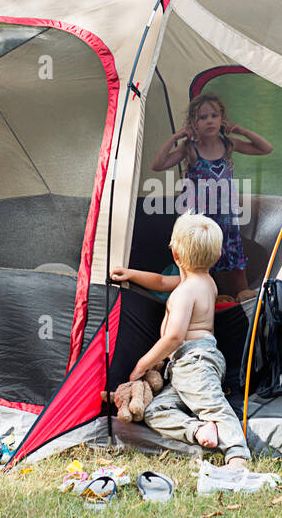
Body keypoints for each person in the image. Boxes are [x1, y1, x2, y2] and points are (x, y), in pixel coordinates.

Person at [110, 213, 250, 466]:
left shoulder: (185, 292)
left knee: (215, 408)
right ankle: (198, 430)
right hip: (188, 367)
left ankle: (237, 453)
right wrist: (131, 273)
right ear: (217, 257)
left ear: (175, 255)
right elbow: (161, 281)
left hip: (194, 362)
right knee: (155, 412)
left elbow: (174, 336)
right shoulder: (204, 281)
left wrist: (143, 364)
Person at [150, 93, 272, 298]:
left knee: (236, 264)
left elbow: (265, 148)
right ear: (193, 124)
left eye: (214, 116)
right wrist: (174, 138)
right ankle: (203, 300)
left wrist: (242, 130)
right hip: (199, 220)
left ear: (222, 119)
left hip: (226, 217)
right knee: (198, 262)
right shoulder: (190, 149)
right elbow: (157, 165)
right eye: (202, 117)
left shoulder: (229, 144)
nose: (209, 121)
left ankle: (241, 301)